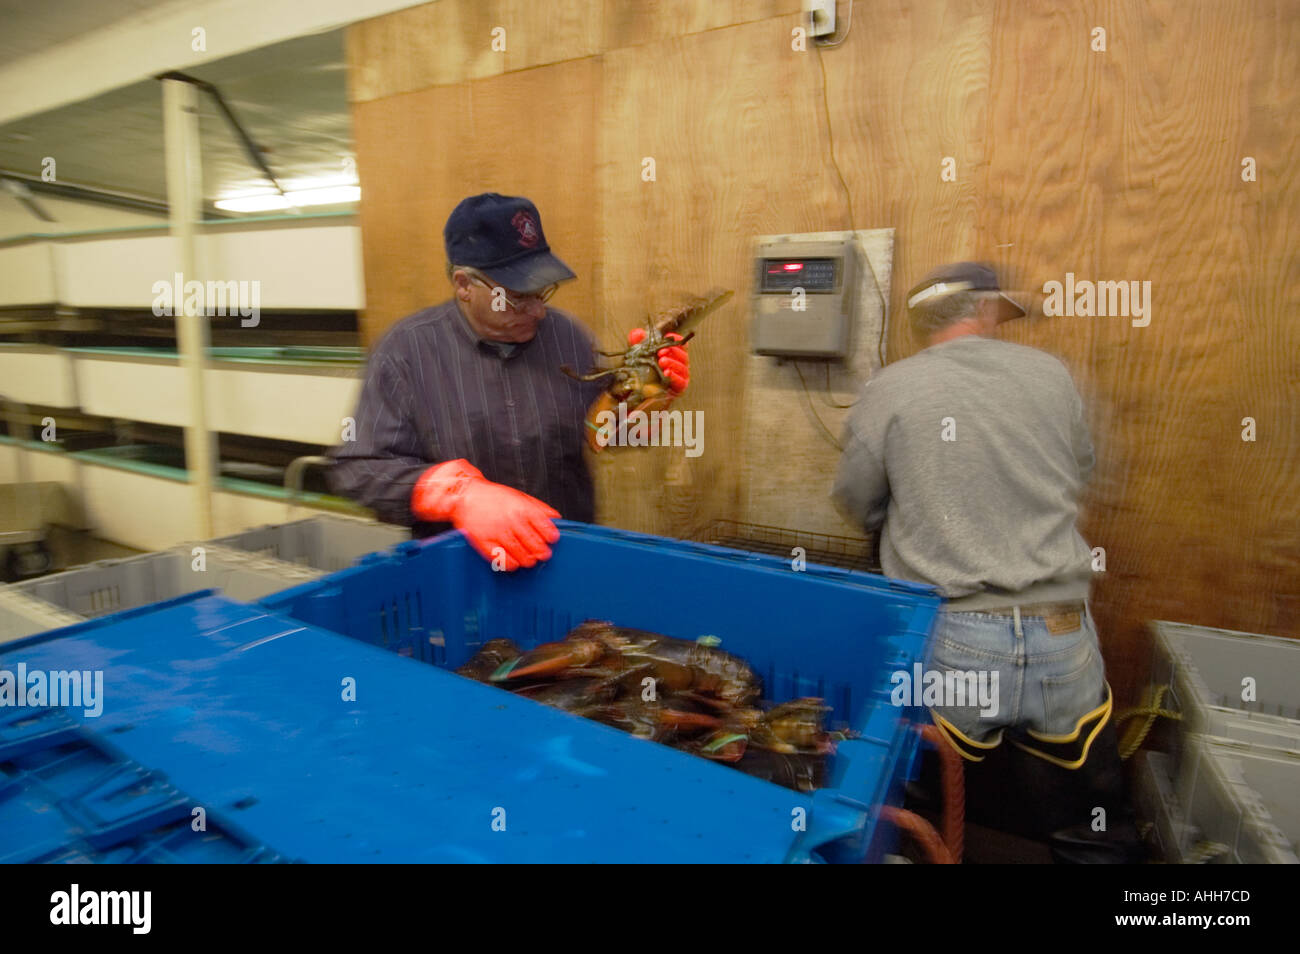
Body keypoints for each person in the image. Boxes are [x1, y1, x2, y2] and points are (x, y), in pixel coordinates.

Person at [832, 262, 1138, 863]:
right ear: (988, 311)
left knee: (920, 811)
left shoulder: (893, 386)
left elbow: (856, 499)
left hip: (955, 635)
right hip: (1061, 626)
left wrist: (902, 523)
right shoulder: (1050, 375)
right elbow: (1080, 469)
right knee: (1089, 818)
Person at [329, 193, 689, 570]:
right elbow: (358, 468)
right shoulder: (404, 352)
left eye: (542, 291)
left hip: (562, 561)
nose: (538, 310)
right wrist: (458, 495)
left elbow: (605, 433)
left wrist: (650, 396)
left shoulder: (568, 336)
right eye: (517, 297)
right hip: (462, 575)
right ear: (464, 284)